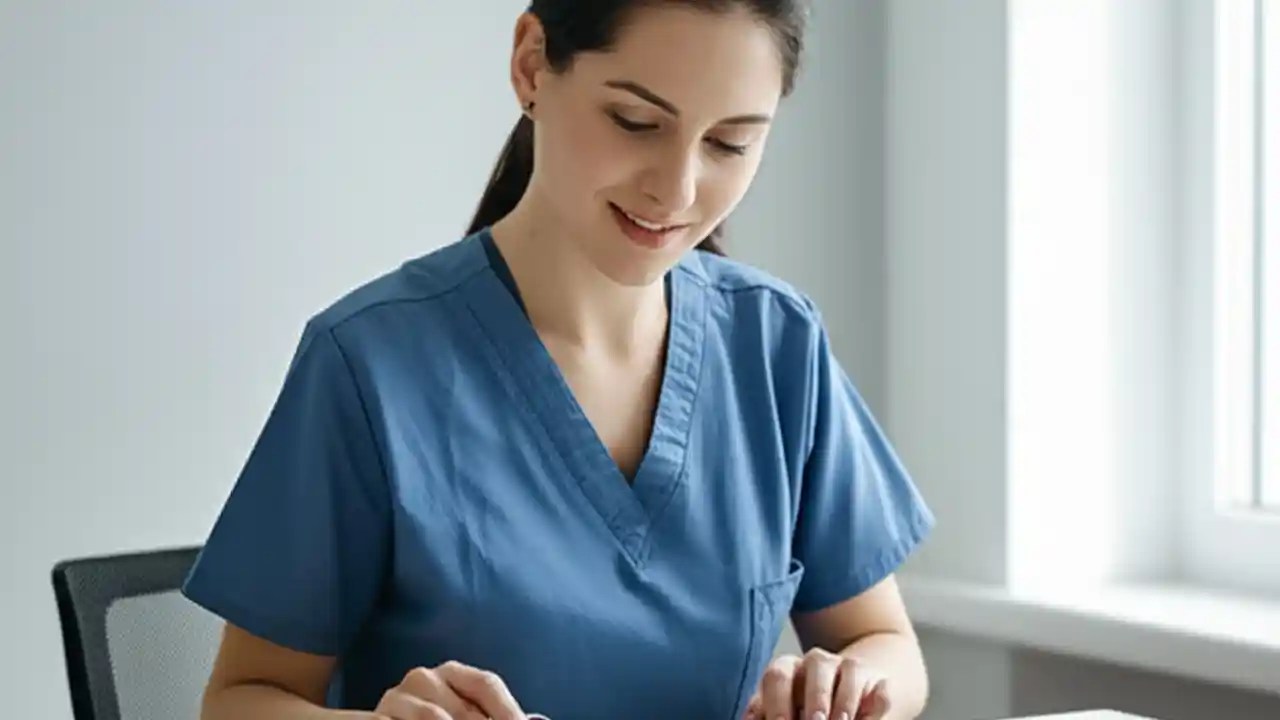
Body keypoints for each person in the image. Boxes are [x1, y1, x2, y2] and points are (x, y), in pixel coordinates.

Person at [183, 1, 936, 719]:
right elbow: (240, 700)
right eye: (635, 121)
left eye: (729, 143)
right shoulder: (368, 366)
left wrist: (848, 685)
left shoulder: (776, 346)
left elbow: (887, 646)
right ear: (532, 64)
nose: (677, 189)